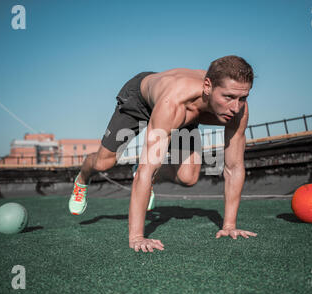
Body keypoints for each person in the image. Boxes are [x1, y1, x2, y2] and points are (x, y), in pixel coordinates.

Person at [69, 55, 257, 252]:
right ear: (208, 87)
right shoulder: (173, 104)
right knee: (103, 163)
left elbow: (234, 167)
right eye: (228, 97)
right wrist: (137, 237)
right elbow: (146, 169)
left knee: (188, 177)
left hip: (188, 113)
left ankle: (150, 181)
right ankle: (82, 178)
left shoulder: (238, 110)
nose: (235, 107)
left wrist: (229, 226)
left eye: (242, 98)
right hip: (140, 100)